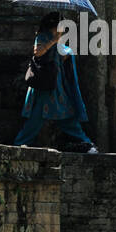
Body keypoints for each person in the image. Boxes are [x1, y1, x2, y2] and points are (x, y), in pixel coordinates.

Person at [15, 12, 97, 152]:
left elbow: (60, 58)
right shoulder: (43, 36)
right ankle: (18, 146)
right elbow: (38, 52)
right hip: (44, 85)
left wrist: (64, 51)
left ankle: (87, 144)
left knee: (67, 118)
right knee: (35, 120)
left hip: (57, 86)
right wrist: (54, 40)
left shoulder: (58, 39)